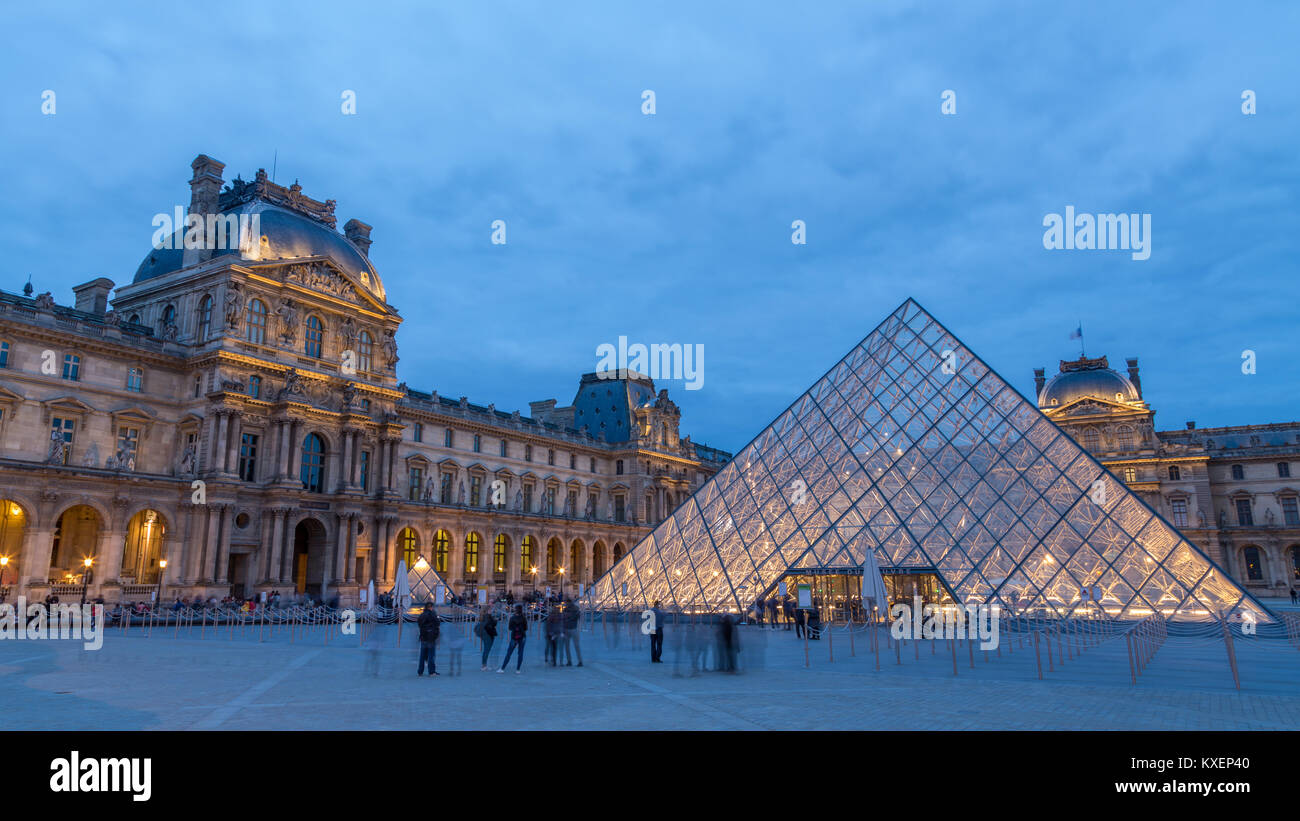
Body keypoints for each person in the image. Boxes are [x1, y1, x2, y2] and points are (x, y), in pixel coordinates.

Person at [498, 604, 528, 674]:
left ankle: (502, 668)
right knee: (520, 653)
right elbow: (526, 628)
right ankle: (518, 669)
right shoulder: (524, 618)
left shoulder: (512, 618)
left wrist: (515, 628)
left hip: (514, 636)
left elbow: (510, 628)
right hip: (522, 636)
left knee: (509, 653)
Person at [416, 602, 441, 677]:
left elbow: (419, 624)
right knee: (431, 655)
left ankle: (420, 671)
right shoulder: (432, 614)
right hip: (431, 637)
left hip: (423, 637)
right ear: (431, 607)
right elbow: (437, 623)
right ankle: (431, 671)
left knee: (422, 655)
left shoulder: (422, 615)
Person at [562, 597, 583, 667]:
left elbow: (575, 617)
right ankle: (569, 661)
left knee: (576, 646)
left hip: (573, 629)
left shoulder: (575, 609)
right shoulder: (566, 609)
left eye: (566, 602)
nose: (566, 604)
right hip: (567, 629)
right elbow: (564, 618)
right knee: (567, 647)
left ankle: (579, 661)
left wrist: (568, 617)